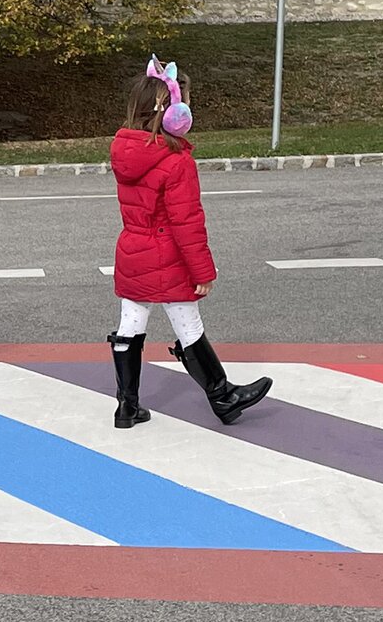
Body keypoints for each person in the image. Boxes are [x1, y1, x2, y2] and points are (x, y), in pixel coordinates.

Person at [108, 57, 272, 430]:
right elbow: (186, 221)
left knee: (130, 323)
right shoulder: (176, 160)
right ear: (170, 112)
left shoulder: (124, 152)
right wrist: (202, 270)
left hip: (133, 251)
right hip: (167, 256)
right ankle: (223, 396)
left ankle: (126, 407)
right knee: (188, 325)